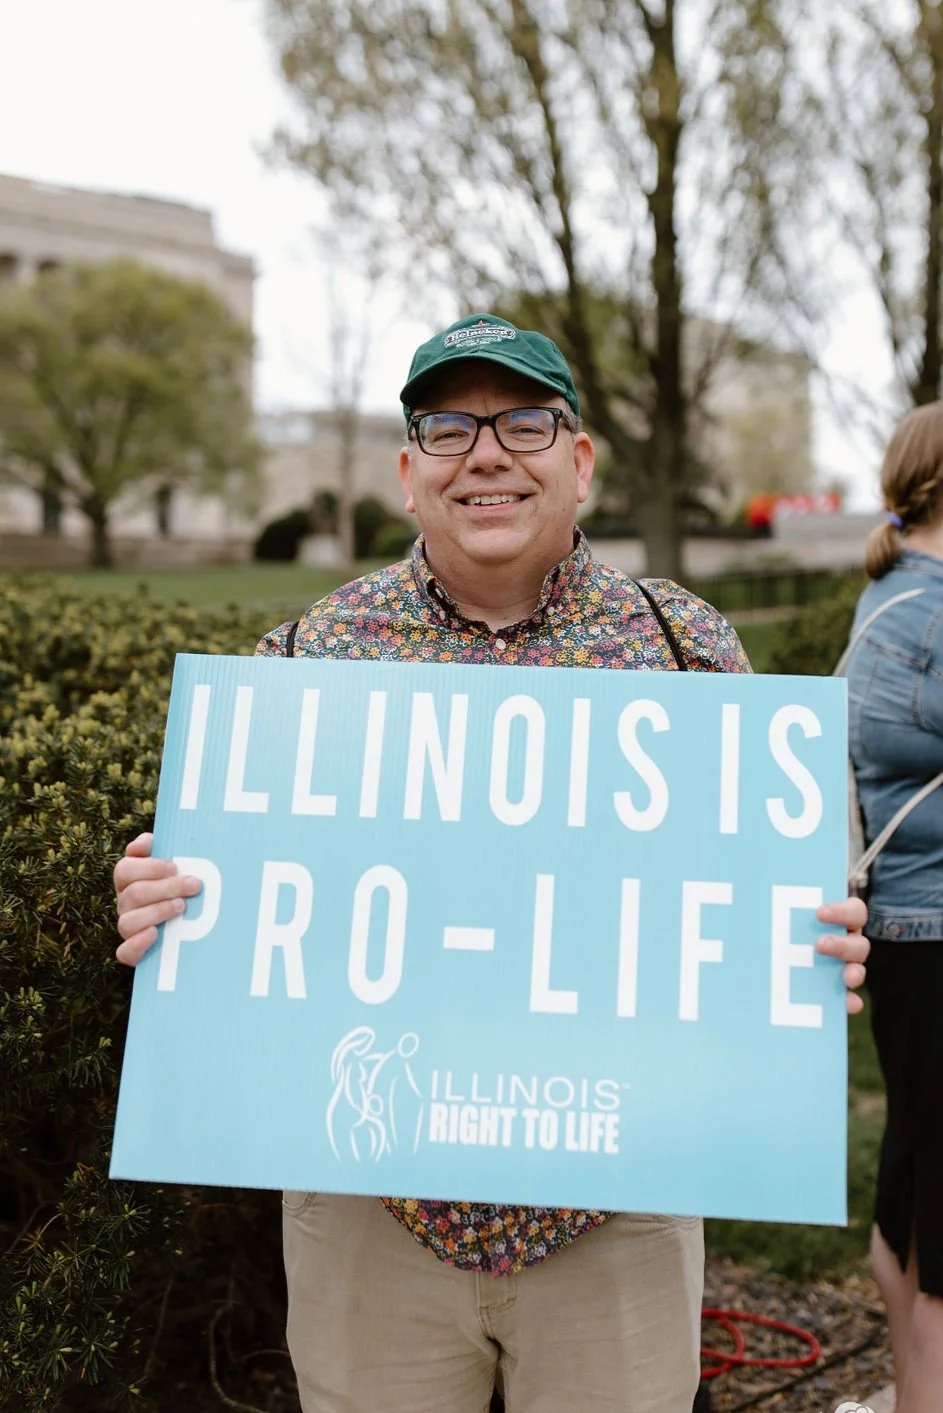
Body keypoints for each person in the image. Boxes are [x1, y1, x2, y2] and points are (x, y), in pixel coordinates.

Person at [114, 314, 869, 1413]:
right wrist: (166, 904)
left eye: (523, 423)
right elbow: (243, 907)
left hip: (620, 1206)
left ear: (580, 462)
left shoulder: (686, 651)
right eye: (448, 428)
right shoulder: (311, 657)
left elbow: (764, 897)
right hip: (371, 1206)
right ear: (408, 473)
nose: (485, 455)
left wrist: (807, 944)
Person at [843, 402, 943, 1413]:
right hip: (935, 927)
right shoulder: (931, 611)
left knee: (915, 1179)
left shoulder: (894, 595)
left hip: (908, 929)